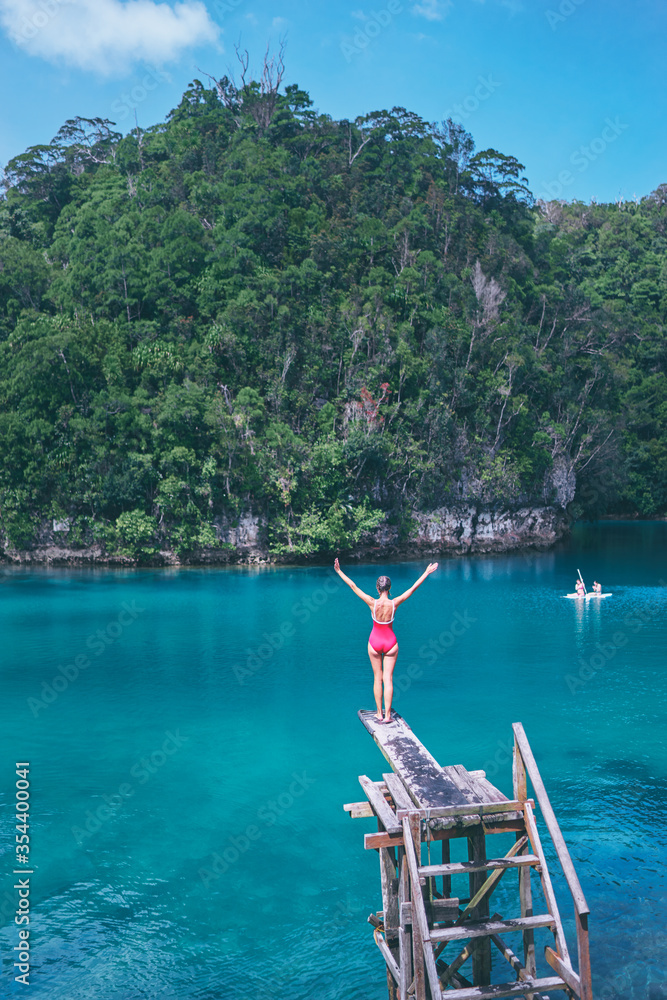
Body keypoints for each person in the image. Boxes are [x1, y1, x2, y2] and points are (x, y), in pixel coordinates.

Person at [333, 558, 438, 724]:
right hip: (391, 643)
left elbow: (353, 586)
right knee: (388, 679)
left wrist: (339, 571)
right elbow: (412, 589)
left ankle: (379, 714)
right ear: (389, 589)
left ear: (377, 588)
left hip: (374, 643)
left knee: (377, 678)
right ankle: (388, 716)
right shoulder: (394, 603)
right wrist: (426, 572)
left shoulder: (372, 602)